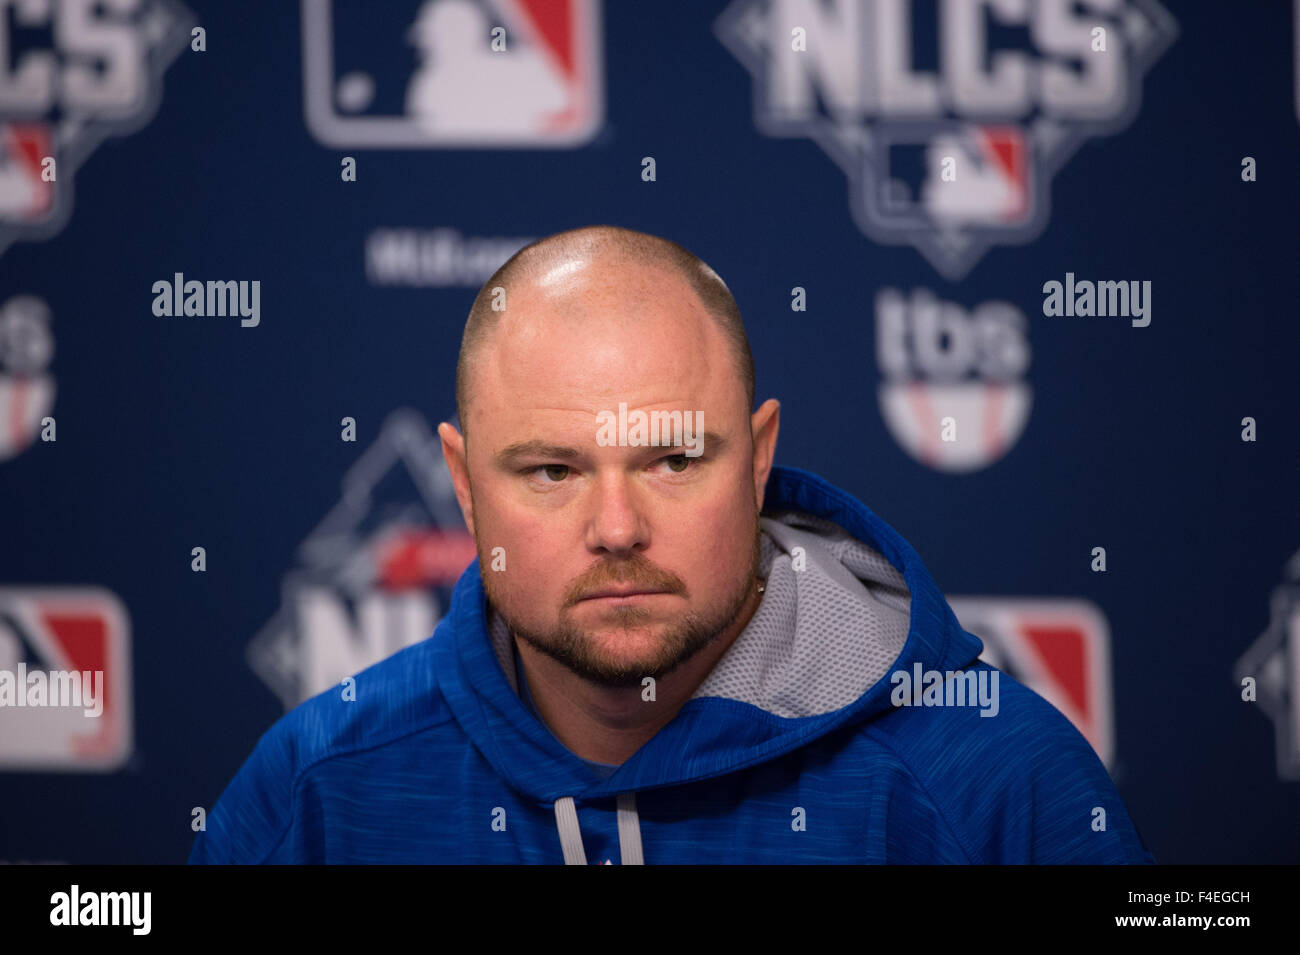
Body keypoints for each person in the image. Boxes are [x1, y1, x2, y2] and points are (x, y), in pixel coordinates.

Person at [189, 225, 1153, 864]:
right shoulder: (318, 787)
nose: (617, 530)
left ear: (760, 458)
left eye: (673, 461)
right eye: (552, 472)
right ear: (464, 487)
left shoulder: (991, 780)